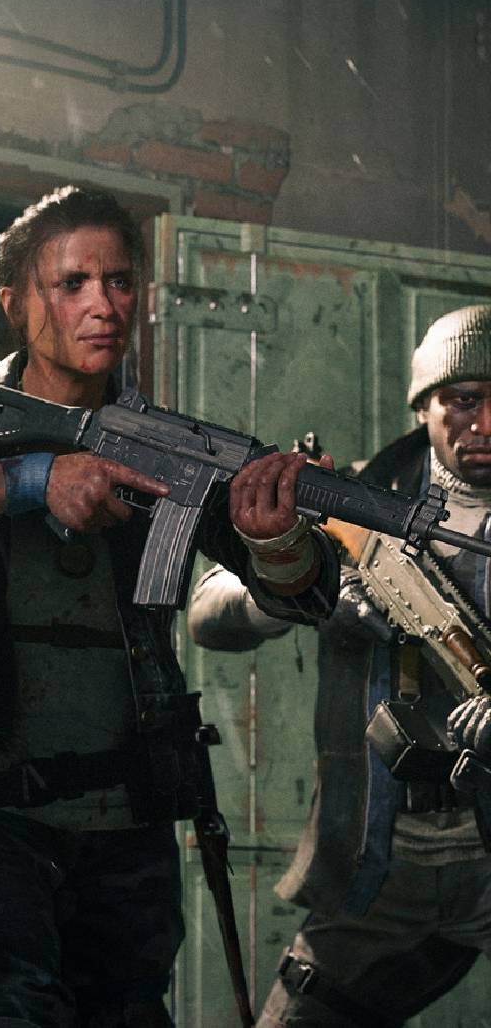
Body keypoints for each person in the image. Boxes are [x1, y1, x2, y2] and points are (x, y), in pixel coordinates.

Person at [0, 185, 339, 1027]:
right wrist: (26, 481)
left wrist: (278, 538)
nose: (103, 305)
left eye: (120, 282)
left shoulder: (168, 446)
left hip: (123, 825)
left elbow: (310, 592)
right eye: (71, 284)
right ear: (15, 303)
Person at [189, 303, 491, 1027]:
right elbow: (207, 615)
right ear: (424, 405)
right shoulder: (349, 502)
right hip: (383, 856)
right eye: (464, 400)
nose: (487, 425)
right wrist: (305, 587)